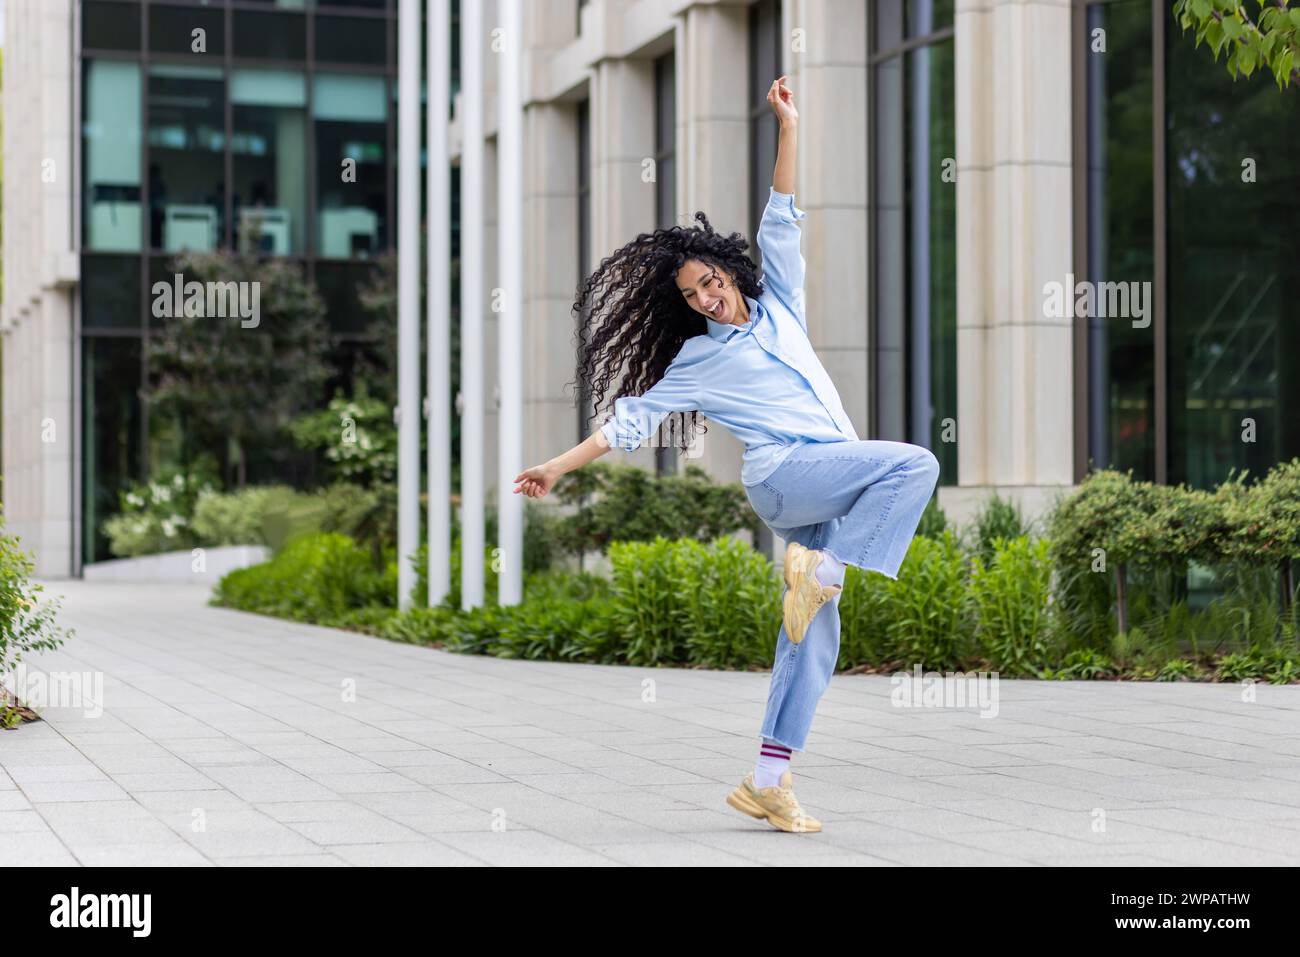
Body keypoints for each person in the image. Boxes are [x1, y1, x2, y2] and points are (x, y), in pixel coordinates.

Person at [513, 76, 940, 833]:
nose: (707, 298)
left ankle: (768, 777)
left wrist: (789, 126)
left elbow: (783, 212)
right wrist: (556, 464)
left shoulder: (782, 305)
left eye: (710, 282)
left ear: (728, 272)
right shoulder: (697, 362)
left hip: (825, 479)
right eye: (692, 295)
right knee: (914, 464)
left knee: (811, 634)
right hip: (782, 480)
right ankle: (826, 567)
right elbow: (629, 423)